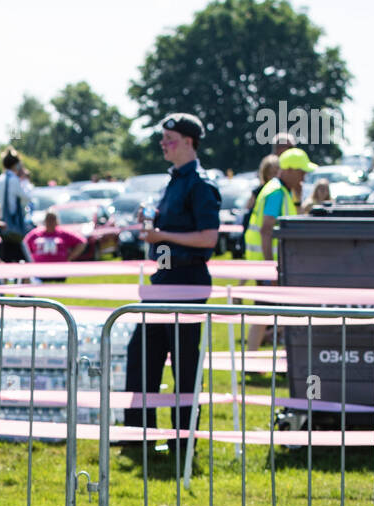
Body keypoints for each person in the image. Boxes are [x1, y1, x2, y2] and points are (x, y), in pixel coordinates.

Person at [124, 113, 221, 441]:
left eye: (170, 139)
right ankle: (139, 433)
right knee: (141, 356)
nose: (163, 144)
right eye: (163, 139)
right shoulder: (174, 180)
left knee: (184, 363)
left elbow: (208, 238)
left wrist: (162, 235)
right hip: (162, 282)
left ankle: (183, 437)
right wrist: (152, 220)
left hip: (188, 282)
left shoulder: (201, 183)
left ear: (189, 142)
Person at [244, 147, 316, 353]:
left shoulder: (280, 190)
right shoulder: (276, 192)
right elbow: (267, 229)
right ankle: (255, 360)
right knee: (265, 312)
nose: (303, 177)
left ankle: (257, 358)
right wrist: (270, 267)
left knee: (265, 311)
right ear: (290, 170)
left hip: (269, 264)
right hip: (270, 265)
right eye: (301, 172)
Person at [0, 146, 32, 263]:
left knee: (7, 255)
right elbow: (26, 198)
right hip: (13, 224)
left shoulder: (0, 178)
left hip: (2, 223)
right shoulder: (14, 179)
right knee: (21, 257)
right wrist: (26, 182)